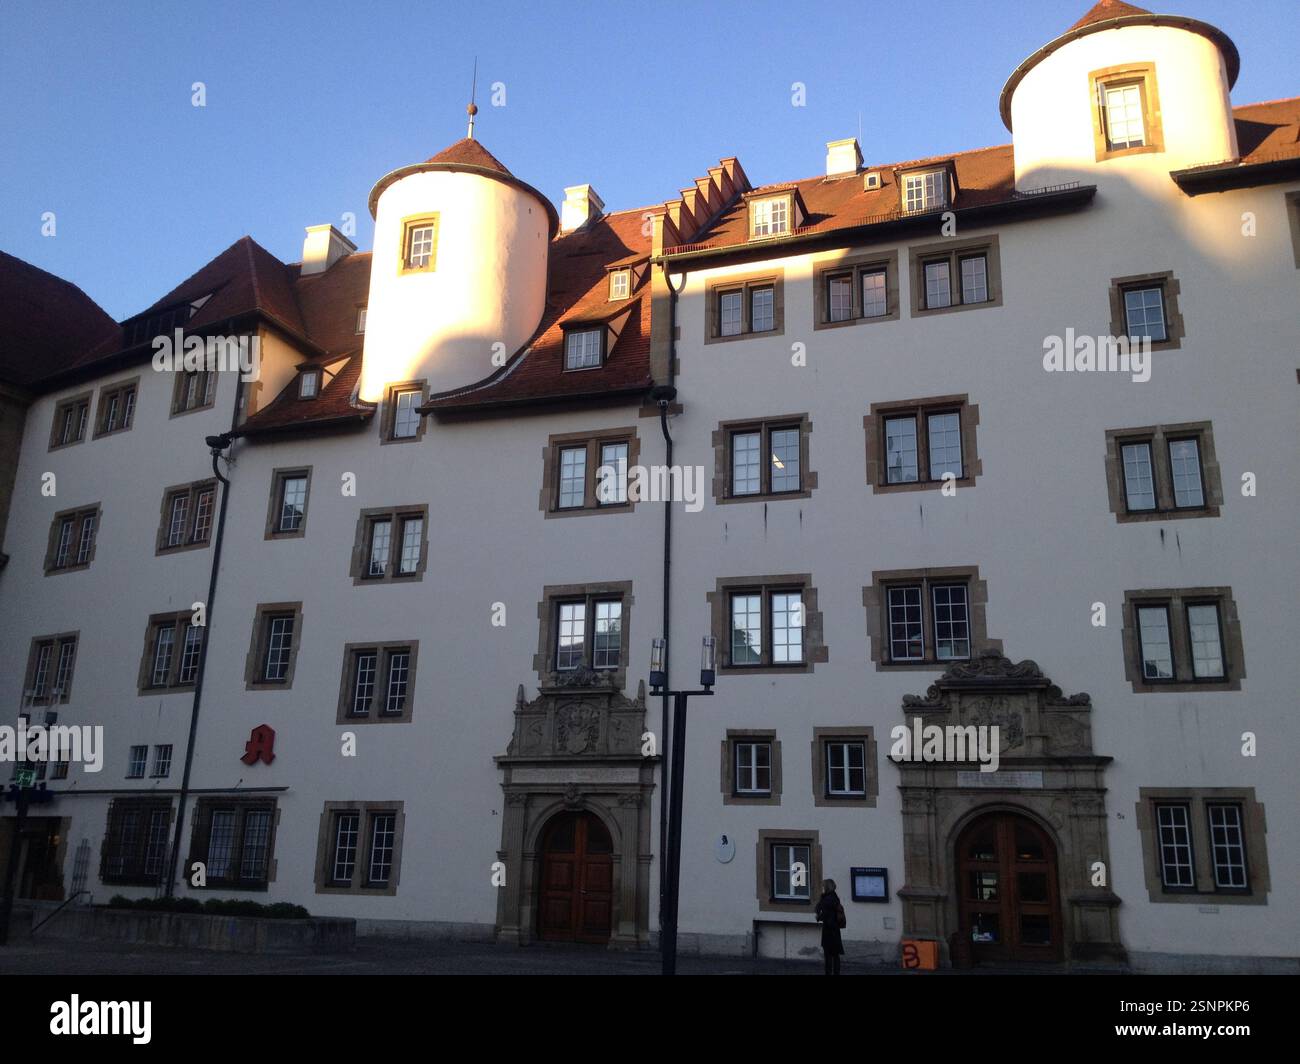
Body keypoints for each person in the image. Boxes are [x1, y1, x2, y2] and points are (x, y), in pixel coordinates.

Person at [814, 878, 845, 975]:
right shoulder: (835, 897)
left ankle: (829, 973)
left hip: (829, 929)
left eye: (823, 886)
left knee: (828, 956)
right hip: (835, 929)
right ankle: (836, 973)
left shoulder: (827, 899)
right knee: (835, 955)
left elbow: (820, 911)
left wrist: (818, 917)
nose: (822, 888)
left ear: (826, 887)